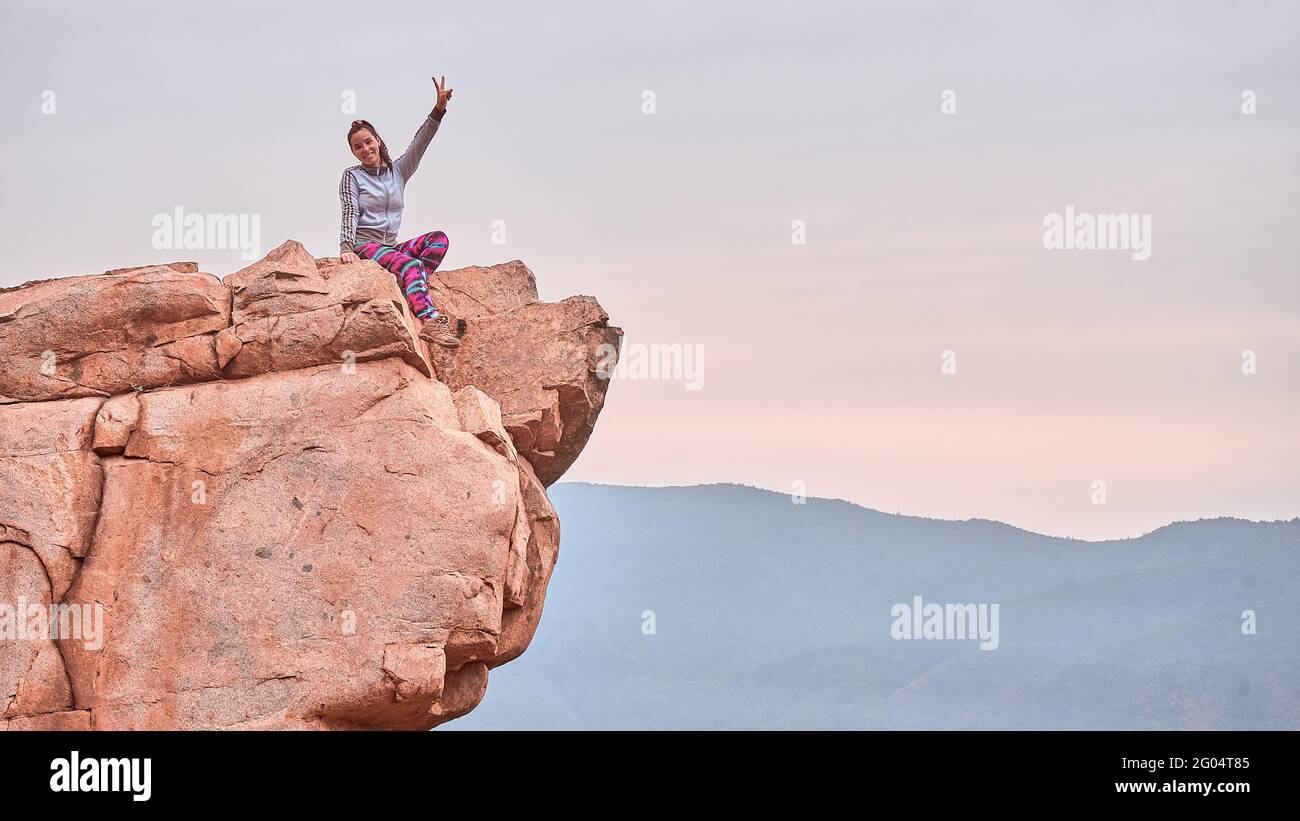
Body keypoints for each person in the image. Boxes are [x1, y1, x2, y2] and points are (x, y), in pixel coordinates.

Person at [338, 76, 460, 348]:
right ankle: (429, 320)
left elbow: (421, 142)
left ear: (378, 141)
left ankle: (413, 286)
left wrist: (439, 109)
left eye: (368, 142)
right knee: (410, 265)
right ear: (354, 152)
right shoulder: (352, 176)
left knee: (438, 240)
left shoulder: (398, 171)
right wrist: (346, 246)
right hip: (366, 246)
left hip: (390, 247)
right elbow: (349, 210)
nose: (365, 149)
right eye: (358, 147)